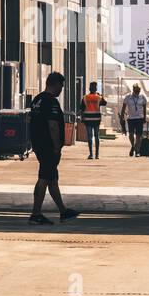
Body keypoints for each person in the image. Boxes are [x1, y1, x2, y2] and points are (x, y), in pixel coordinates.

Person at [28, 71, 78, 225]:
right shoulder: (51, 102)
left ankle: (63, 211)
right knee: (44, 178)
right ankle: (35, 214)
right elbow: (53, 126)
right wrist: (57, 146)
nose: (61, 89)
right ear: (55, 84)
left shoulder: (37, 100)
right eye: (61, 86)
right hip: (49, 146)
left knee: (52, 178)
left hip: (38, 144)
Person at [80, 82, 107, 159]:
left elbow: (82, 109)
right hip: (96, 119)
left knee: (89, 137)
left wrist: (82, 118)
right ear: (96, 89)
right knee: (96, 136)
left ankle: (91, 154)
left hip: (88, 119)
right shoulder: (98, 97)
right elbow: (105, 103)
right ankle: (97, 154)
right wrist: (101, 95)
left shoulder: (85, 97)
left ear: (89, 88)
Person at [121, 83, 148, 156]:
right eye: (136, 91)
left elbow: (144, 108)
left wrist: (144, 118)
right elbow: (123, 108)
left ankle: (137, 151)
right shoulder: (128, 97)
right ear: (133, 90)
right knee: (131, 134)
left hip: (139, 118)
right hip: (131, 118)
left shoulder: (142, 97)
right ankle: (133, 146)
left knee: (138, 135)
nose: (137, 92)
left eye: (138, 91)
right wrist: (122, 117)